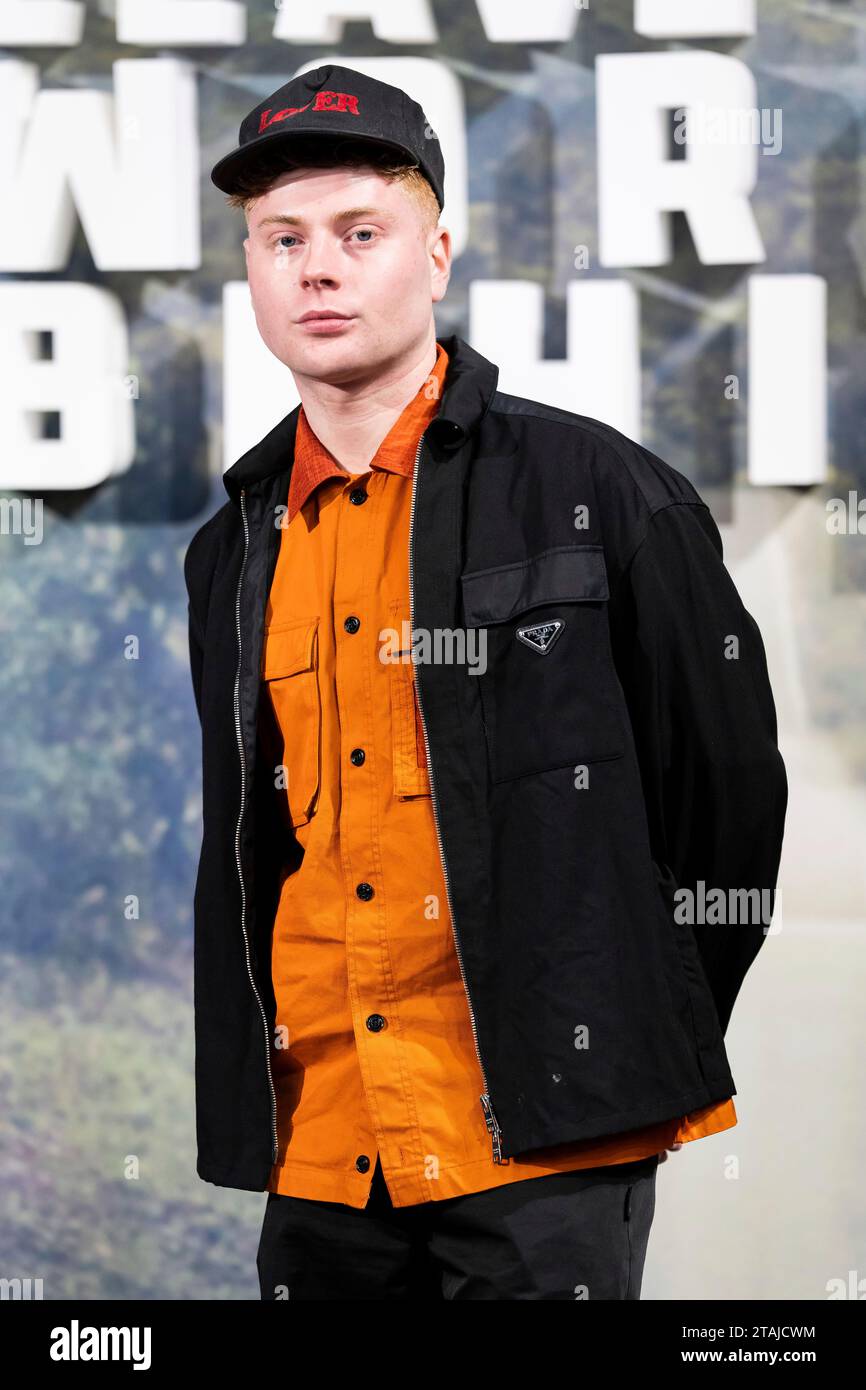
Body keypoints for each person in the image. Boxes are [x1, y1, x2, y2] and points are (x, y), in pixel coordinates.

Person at [184, 64, 787, 1300]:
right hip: (324, 1153)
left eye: (361, 232)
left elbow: (724, 805)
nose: (317, 268)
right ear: (249, 267)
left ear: (437, 254)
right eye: (280, 238)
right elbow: (254, 846)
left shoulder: (601, 489)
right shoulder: (232, 546)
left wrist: (615, 1026)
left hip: (540, 1154)